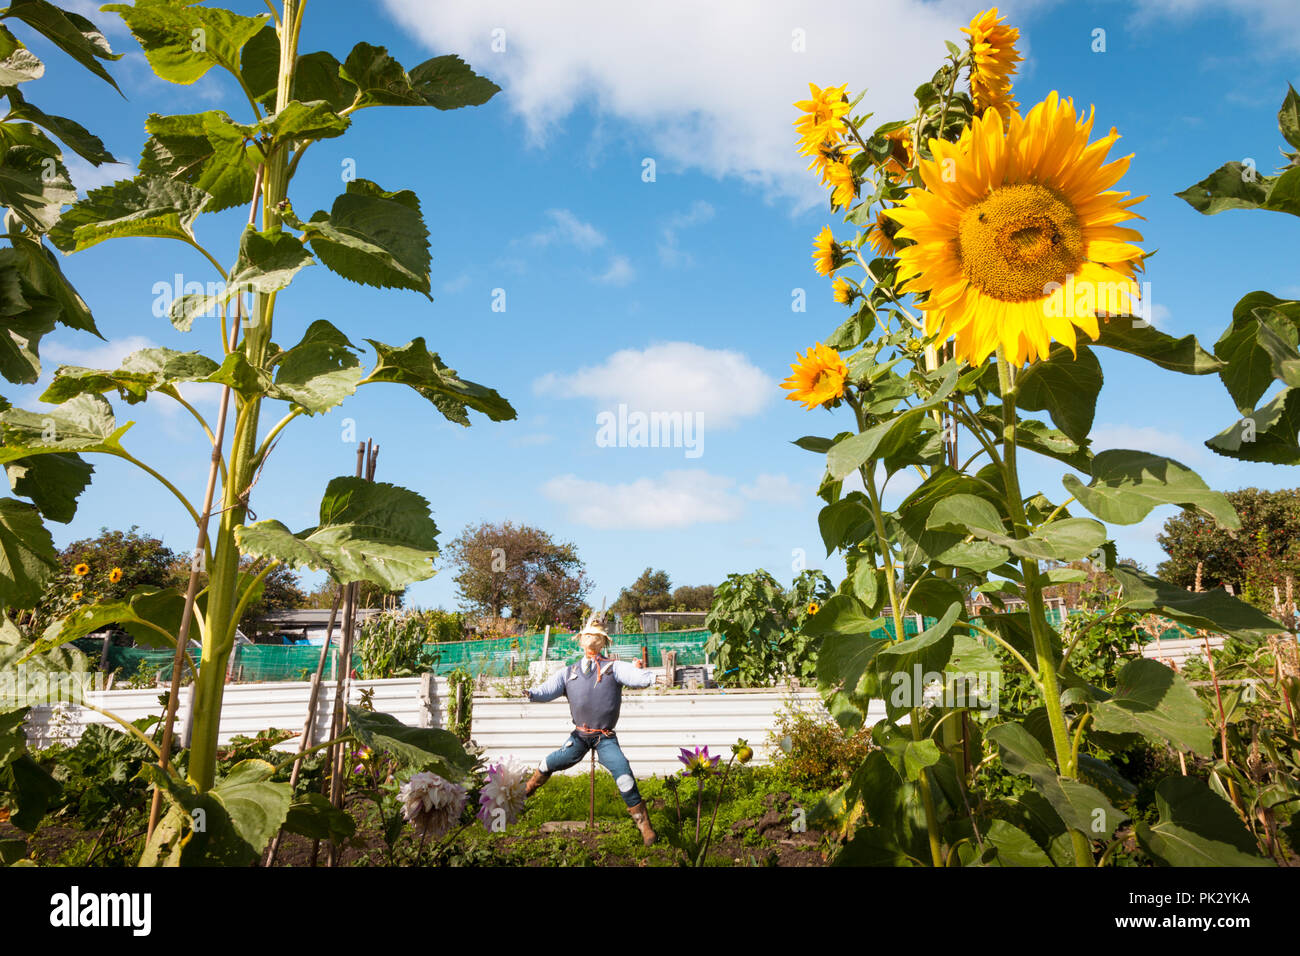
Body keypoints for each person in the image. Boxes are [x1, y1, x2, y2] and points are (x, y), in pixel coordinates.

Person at [523, 616, 657, 845]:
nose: (592, 641)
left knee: (624, 775)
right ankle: (525, 792)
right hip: (579, 737)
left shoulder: (613, 668)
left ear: (603, 642)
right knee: (548, 763)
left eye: (597, 637)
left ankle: (644, 825)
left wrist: (646, 675)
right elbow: (548, 690)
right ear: (581, 641)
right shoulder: (568, 672)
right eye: (588, 636)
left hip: (604, 737)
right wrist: (532, 693)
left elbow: (636, 678)